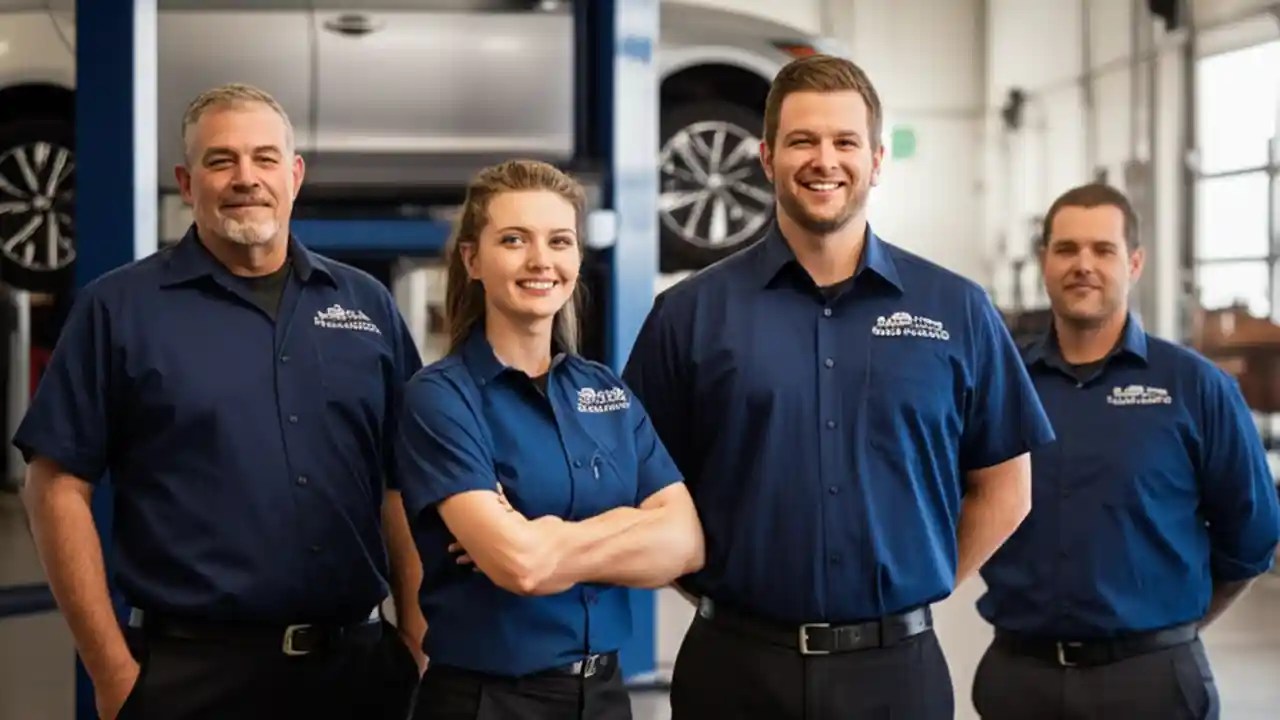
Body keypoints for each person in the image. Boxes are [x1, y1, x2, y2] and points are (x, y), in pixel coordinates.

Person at [622, 53, 1057, 720]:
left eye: (845, 142)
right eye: (802, 140)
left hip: (896, 676)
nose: (824, 160)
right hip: (733, 670)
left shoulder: (958, 310)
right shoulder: (689, 315)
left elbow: (1005, 488)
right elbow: (640, 487)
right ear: (766, 158)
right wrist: (726, 591)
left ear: (877, 160)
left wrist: (914, 582)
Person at [13, 83, 426, 720]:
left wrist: (418, 641)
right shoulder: (118, 310)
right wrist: (112, 672)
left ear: (294, 176)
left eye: (264, 159)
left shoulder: (366, 304)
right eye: (220, 160)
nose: (245, 178)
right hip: (190, 678)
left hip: (358, 674)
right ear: (187, 183)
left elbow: (403, 483)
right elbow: (54, 487)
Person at [393, 158, 704, 720]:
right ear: (472, 259)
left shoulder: (605, 391)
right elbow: (521, 566)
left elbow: (684, 543)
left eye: (559, 241)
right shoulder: (439, 399)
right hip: (489, 702)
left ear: (577, 258)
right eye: (514, 240)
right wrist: (628, 528)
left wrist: (549, 536)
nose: (541, 260)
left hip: (605, 697)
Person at [971, 183, 1280, 720]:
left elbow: (1251, 538)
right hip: (1020, 679)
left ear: (1134, 263)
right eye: (1066, 249)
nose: (1083, 265)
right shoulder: (1000, 383)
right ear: (1044, 261)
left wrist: (1170, 627)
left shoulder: (1194, 387)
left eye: (1103, 249)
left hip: (1151, 683)